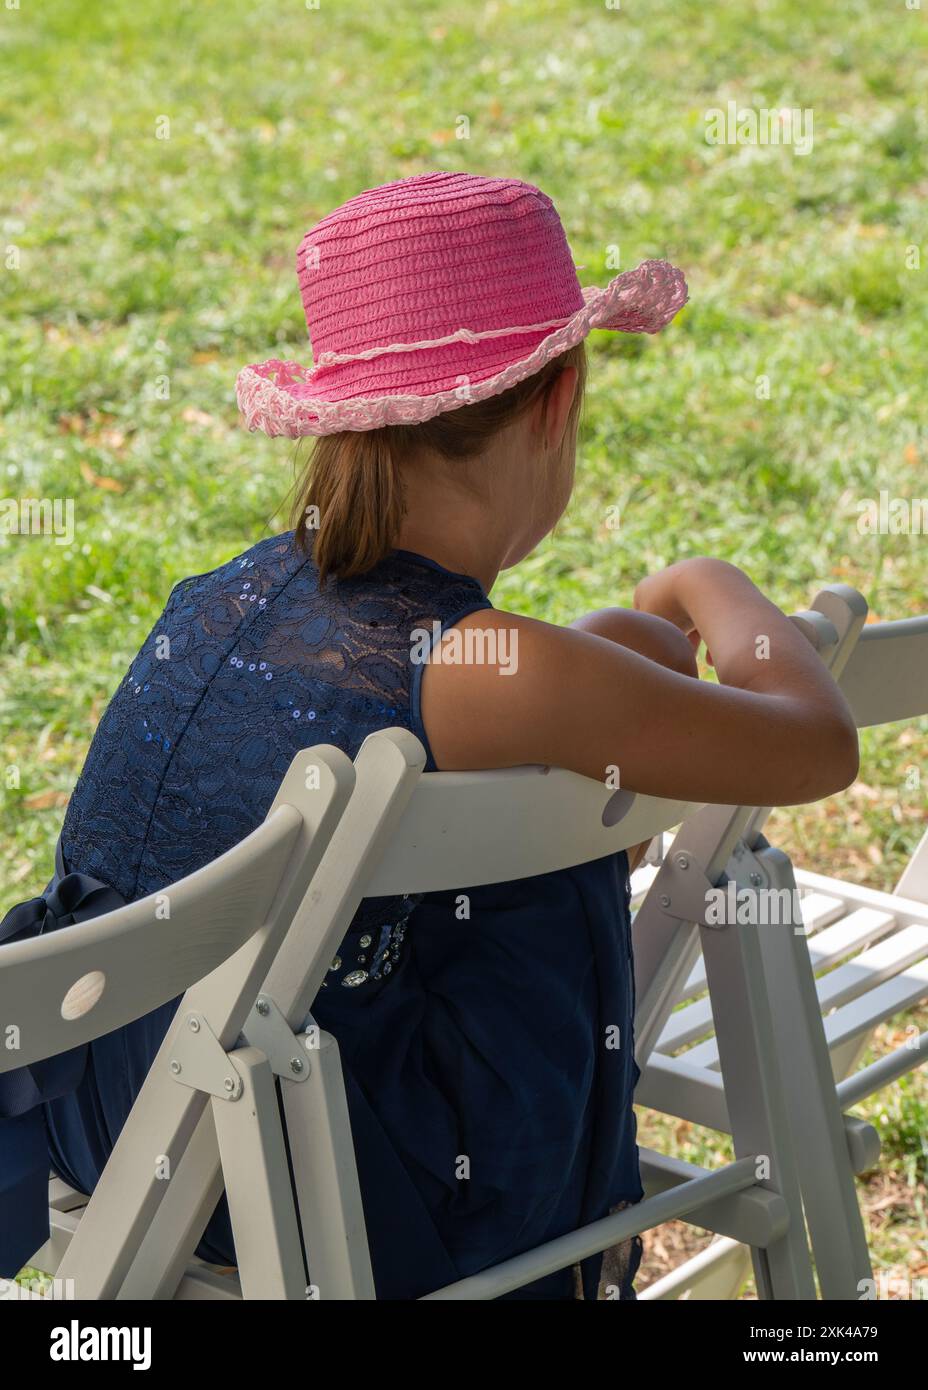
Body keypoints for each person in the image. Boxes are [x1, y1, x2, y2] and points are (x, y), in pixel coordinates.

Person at [0, 171, 858, 1298]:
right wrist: (706, 581)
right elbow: (813, 743)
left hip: (107, 1111)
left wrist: (616, 646)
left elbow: (561, 684)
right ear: (556, 403)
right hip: (336, 1177)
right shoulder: (494, 670)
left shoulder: (215, 598)